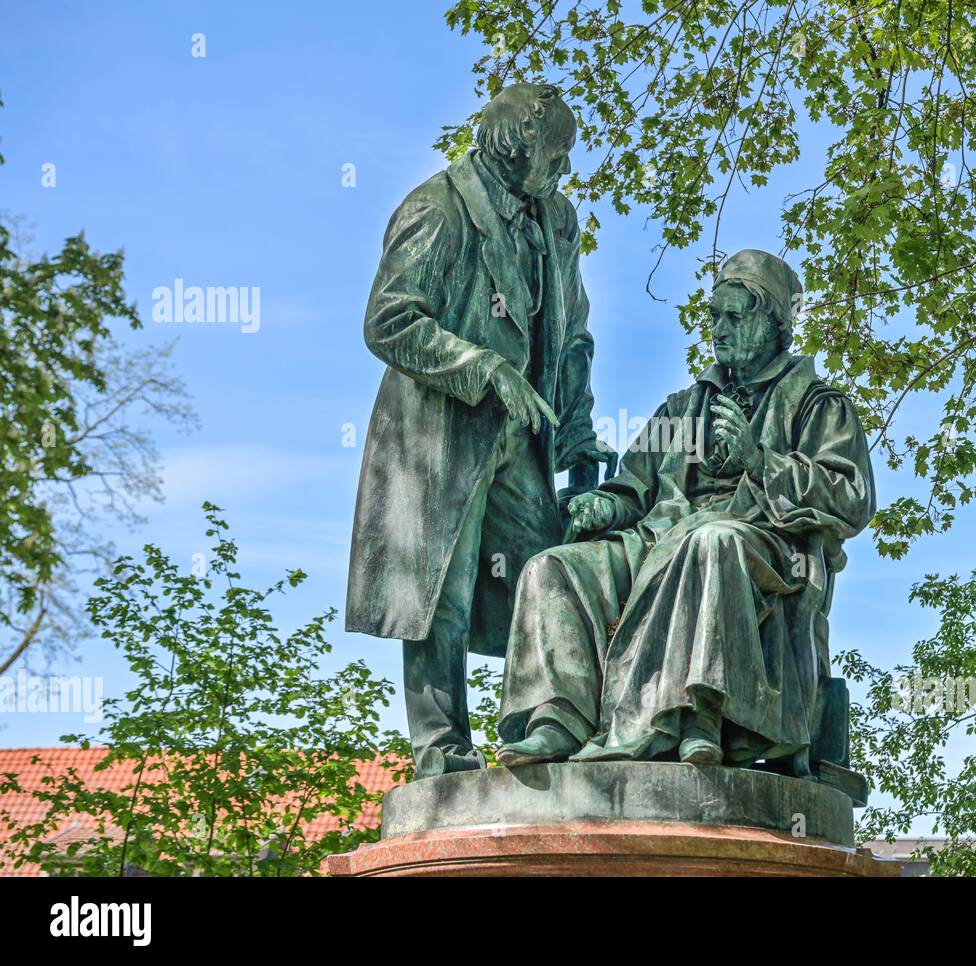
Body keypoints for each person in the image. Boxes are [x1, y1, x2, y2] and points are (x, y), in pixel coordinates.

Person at [498, 249, 875, 771]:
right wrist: (601, 505)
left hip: (761, 541)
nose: (718, 330)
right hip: (660, 536)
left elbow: (850, 497)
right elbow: (633, 487)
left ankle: (700, 715)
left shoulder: (817, 404)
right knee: (553, 566)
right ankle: (557, 717)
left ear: (774, 323)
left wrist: (759, 459)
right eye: (714, 315)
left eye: (734, 317)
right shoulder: (681, 408)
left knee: (711, 540)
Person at [346, 84, 605, 778]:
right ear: (516, 147)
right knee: (442, 593)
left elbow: (572, 334)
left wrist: (578, 431)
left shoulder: (555, 218)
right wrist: (484, 368)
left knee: (549, 574)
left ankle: (545, 728)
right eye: (557, 154)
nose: (564, 169)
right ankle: (440, 753)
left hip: (521, 438)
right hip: (436, 439)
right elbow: (389, 321)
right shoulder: (438, 208)